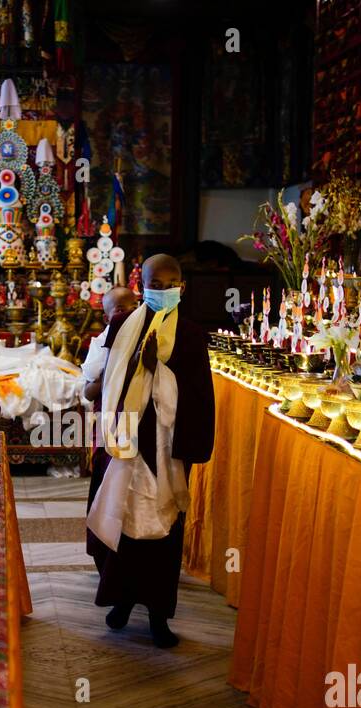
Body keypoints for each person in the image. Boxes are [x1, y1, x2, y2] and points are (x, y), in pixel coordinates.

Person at [85, 254, 214, 648]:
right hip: (126, 435)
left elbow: (200, 394)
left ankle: (158, 614)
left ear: (183, 287)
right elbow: (102, 384)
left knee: (163, 530)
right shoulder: (123, 325)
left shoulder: (192, 335)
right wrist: (135, 367)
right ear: (144, 287)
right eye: (156, 284)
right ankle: (121, 601)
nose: (164, 290)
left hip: (166, 443)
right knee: (122, 519)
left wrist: (161, 372)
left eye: (171, 283)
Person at [82, 287, 139, 575]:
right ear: (106, 317)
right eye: (119, 309)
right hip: (110, 426)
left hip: (139, 429)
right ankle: (104, 554)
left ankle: (133, 560)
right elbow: (88, 391)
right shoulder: (100, 344)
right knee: (107, 486)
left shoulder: (147, 337)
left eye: (133, 306)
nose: (127, 312)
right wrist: (108, 371)